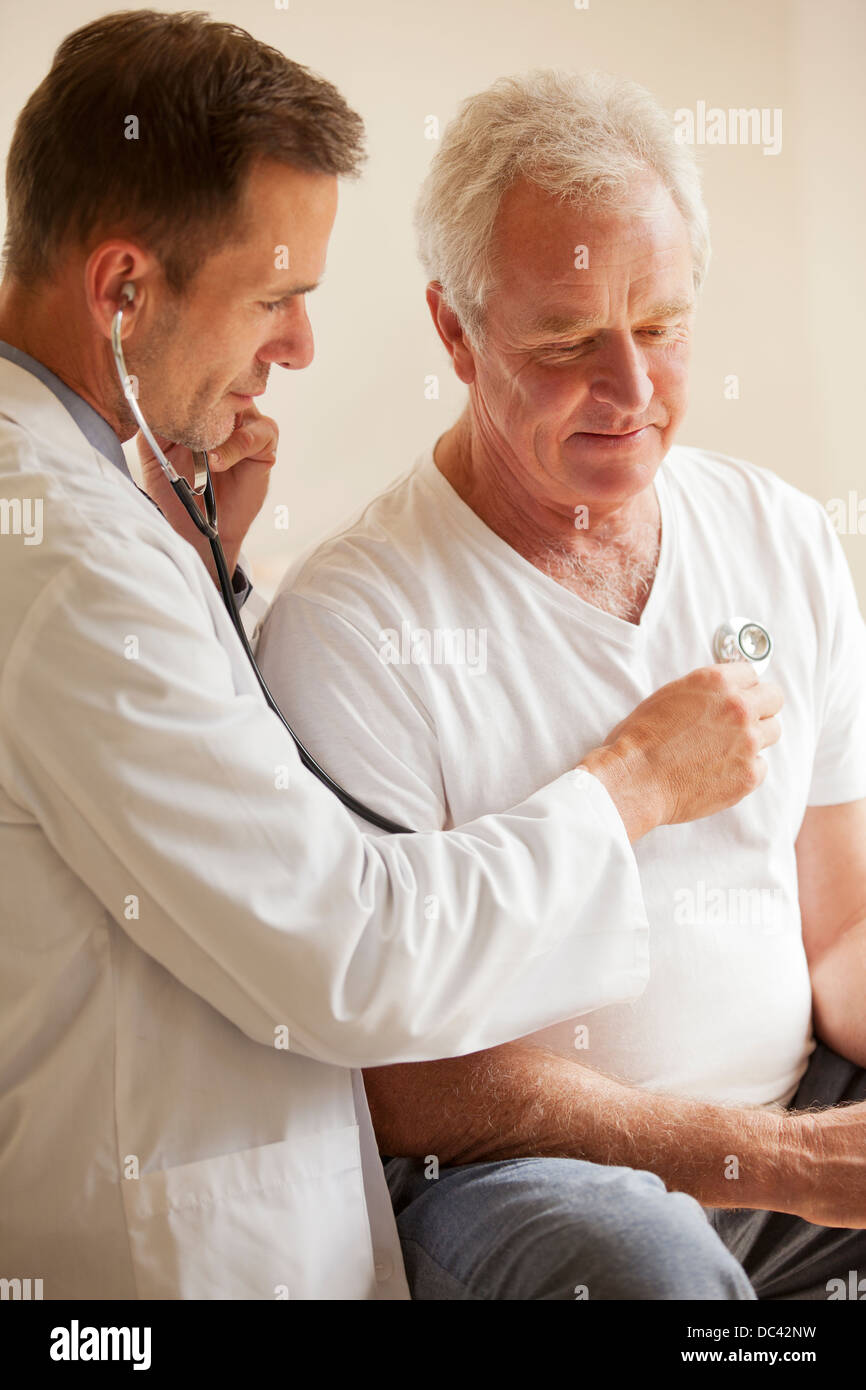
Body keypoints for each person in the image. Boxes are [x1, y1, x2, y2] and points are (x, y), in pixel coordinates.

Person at [0, 16, 774, 1301]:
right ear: (124, 288)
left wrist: (203, 579)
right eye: (275, 294)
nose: (299, 344)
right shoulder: (66, 557)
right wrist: (630, 781)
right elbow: (349, 951)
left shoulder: (96, 522)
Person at [257, 69, 866, 1300]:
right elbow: (408, 1080)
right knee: (641, 1267)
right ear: (453, 332)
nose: (632, 393)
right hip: (520, 1177)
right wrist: (779, 1162)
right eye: (565, 341)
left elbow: (838, 923)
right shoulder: (353, 622)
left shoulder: (782, 534)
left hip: (794, 1122)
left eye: (658, 325)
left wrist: (805, 1147)